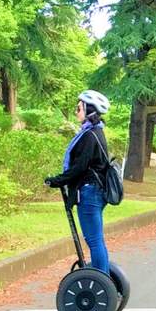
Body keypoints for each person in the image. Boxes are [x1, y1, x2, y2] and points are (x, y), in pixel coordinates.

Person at [45, 90, 113, 274]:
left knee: (94, 241)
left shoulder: (90, 136)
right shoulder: (95, 132)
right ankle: (103, 278)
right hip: (95, 191)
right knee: (97, 240)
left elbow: (79, 168)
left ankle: (102, 280)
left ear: (89, 110)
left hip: (90, 193)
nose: (76, 112)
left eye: (79, 108)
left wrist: (56, 181)